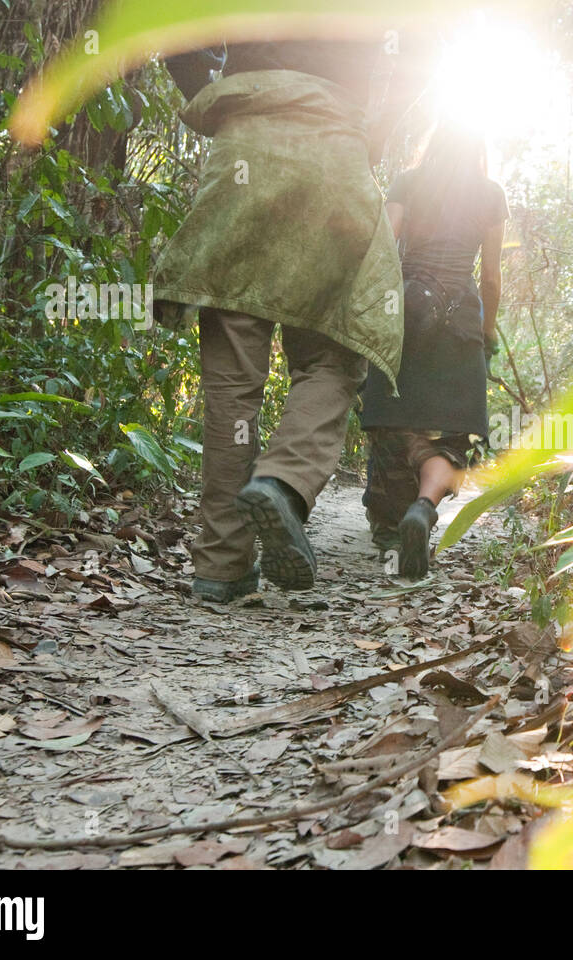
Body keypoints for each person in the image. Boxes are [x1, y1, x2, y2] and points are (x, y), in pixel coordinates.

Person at [153, 36, 434, 601]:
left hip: (245, 153)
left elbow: (179, 39)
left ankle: (221, 565)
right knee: (334, 358)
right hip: (336, 161)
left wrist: (214, 93)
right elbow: (422, 54)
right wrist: (370, 134)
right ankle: (283, 482)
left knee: (232, 386)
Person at [359, 120, 508, 579]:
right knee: (450, 435)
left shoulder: (408, 180)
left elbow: (382, 245)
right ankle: (423, 508)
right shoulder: (490, 192)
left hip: (405, 310)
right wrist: (485, 332)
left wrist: (374, 311)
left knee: (394, 423)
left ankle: (389, 527)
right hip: (460, 318)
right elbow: (491, 278)